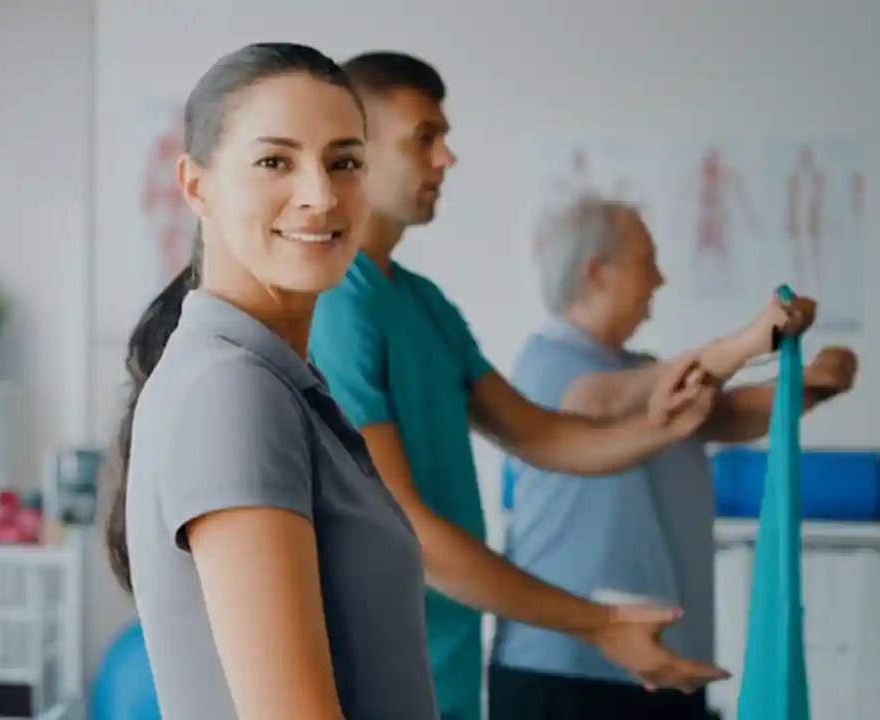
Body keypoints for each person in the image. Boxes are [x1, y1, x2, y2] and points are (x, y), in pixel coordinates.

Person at [106, 43, 722, 720]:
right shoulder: (233, 392)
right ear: (196, 185)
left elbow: (539, 432)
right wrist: (597, 624)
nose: (319, 194)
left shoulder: (286, 381)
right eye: (274, 161)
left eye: (344, 162)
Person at [307, 51, 742, 720]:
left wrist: (667, 424)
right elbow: (406, 532)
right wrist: (596, 623)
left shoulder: (424, 303)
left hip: (445, 666)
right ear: (354, 149)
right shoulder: (340, 302)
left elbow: (539, 433)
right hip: (371, 673)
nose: (446, 158)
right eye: (426, 137)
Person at [489, 197, 857, 719]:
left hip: (658, 668)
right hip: (565, 672)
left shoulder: (640, 367)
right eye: (646, 263)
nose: (660, 280)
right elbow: (601, 402)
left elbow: (723, 415)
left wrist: (811, 386)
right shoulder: (546, 362)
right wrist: (749, 342)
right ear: (596, 272)